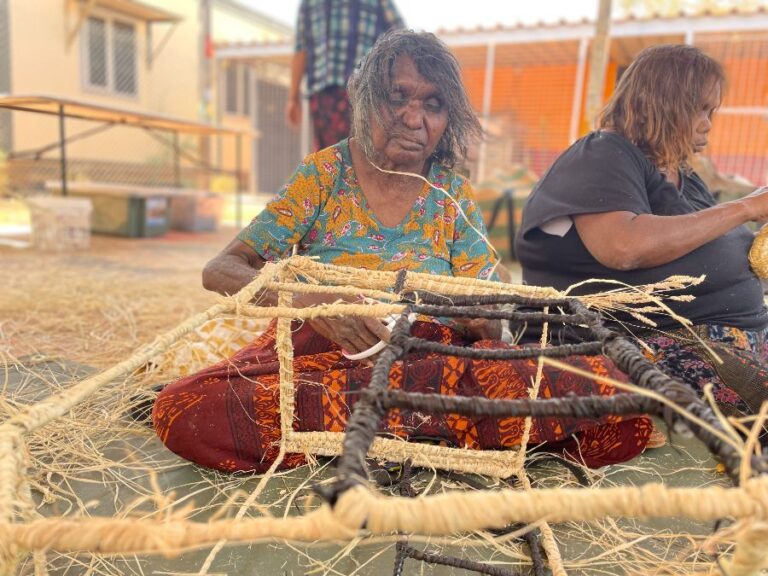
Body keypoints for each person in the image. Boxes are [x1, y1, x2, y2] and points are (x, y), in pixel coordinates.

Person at [151, 31, 651, 474]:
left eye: (433, 104)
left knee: (618, 393)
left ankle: (372, 423)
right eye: (399, 97)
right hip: (321, 351)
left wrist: (480, 317)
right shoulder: (324, 176)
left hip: (433, 356)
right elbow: (221, 269)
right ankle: (431, 423)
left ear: (446, 120)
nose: (414, 118)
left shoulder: (451, 195)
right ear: (368, 100)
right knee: (184, 408)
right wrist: (318, 307)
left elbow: (495, 314)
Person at [516, 44, 768, 419]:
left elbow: (706, 235)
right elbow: (624, 246)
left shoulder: (684, 177)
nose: (708, 123)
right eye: (700, 109)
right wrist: (746, 207)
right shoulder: (602, 153)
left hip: (728, 334)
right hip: (637, 344)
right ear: (664, 103)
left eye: (711, 111)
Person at [285, 0, 404, 150]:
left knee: (333, 157)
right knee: (360, 155)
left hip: (336, 95)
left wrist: (293, 98)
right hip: (360, 92)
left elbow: (300, 49)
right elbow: (401, 39)